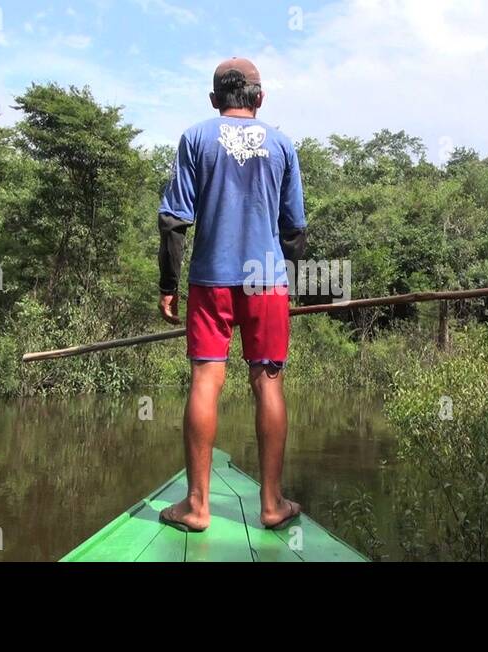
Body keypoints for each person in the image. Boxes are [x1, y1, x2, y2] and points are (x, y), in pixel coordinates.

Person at [156, 57, 307, 532]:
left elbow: (174, 220)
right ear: (259, 99)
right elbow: (294, 229)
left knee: (206, 381)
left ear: (214, 99)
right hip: (267, 281)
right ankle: (272, 504)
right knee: (268, 383)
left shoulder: (195, 138)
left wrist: (168, 284)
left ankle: (197, 507)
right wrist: (294, 287)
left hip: (210, 279)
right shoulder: (282, 144)